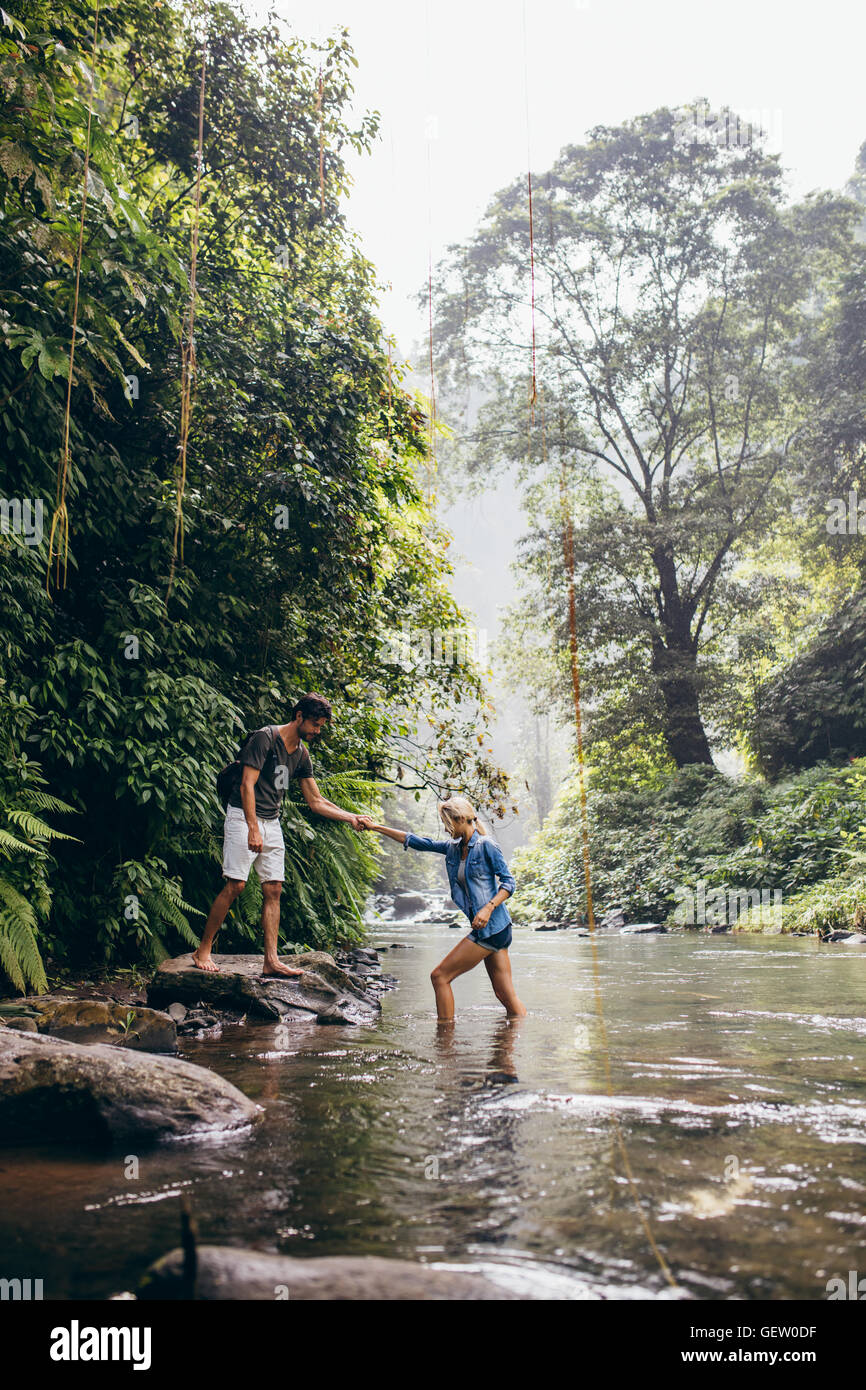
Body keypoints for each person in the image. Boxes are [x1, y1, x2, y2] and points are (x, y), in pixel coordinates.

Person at [192, 693, 368, 976]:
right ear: (299, 716)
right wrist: (252, 828)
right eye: (315, 724)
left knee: (274, 889)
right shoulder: (265, 738)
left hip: (272, 822)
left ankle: (271, 961)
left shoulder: (300, 753)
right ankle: (203, 950)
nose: (317, 731)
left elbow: (316, 801)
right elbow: (246, 785)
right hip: (242, 816)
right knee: (236, 885)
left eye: (321, 726)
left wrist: (351, 817)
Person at [361, 796, 526, 1021]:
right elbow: (415, 841)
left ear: (460, 819)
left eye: (448, 824)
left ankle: (445, 1044)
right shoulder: (454, 849)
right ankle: (514, 1046)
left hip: (492, 928)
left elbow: (509, 883)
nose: (446, 829)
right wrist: (375, 827)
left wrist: (488, 908)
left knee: (439, 977)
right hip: (495, 930)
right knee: (505, 996)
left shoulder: (487, 845)